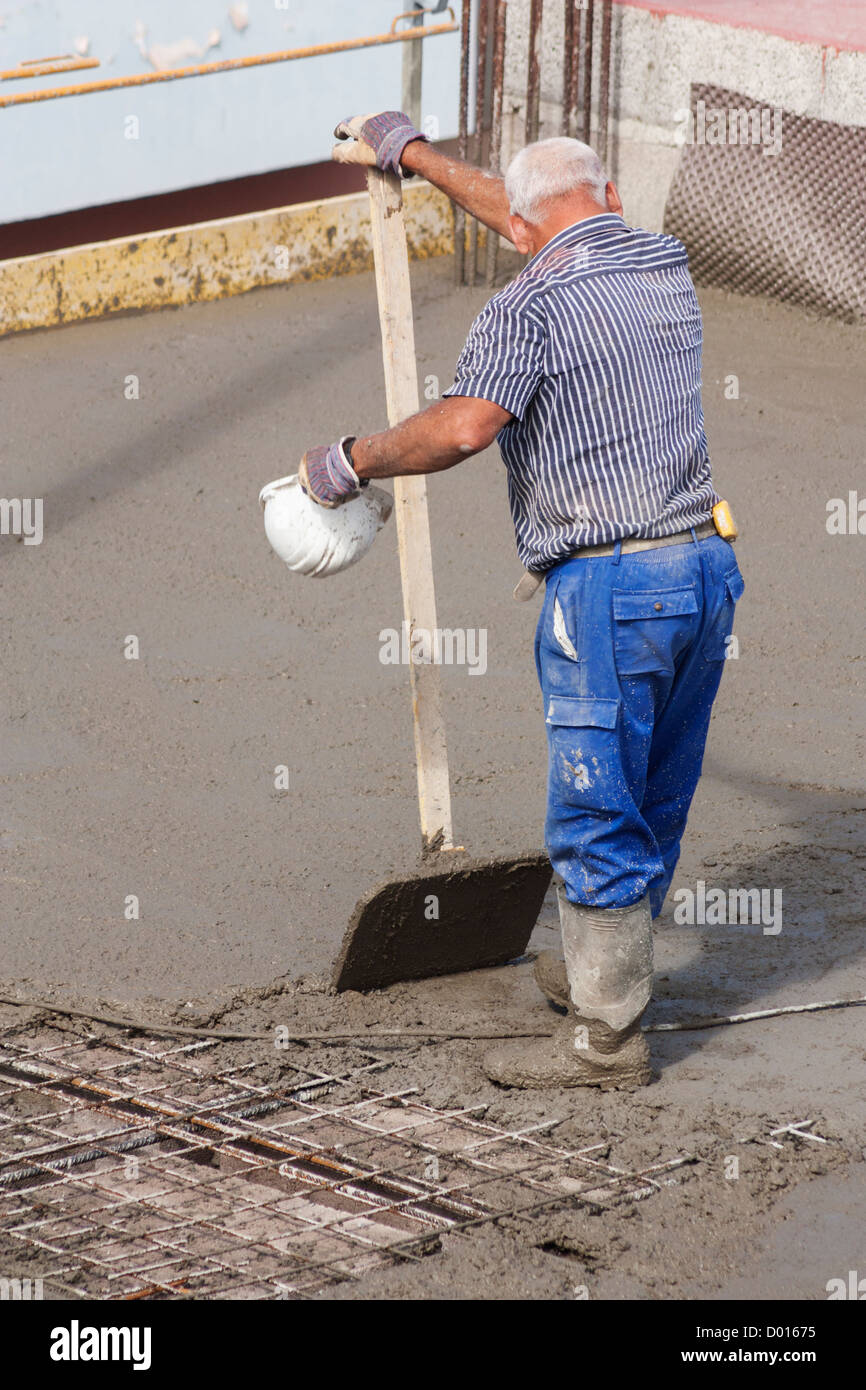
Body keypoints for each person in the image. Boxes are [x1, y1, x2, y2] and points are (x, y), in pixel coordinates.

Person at [299, 112, 744, 1090]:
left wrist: (349, 460)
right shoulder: (661, 258)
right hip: (702, 571)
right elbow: (537, 211)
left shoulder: (526, 307)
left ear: (522, 233)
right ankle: (602, 973)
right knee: (653, 790)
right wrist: (410, 156)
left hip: (608, 587)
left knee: (594, 801)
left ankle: (605, 1041)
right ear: (610, 198)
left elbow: (462, 426)